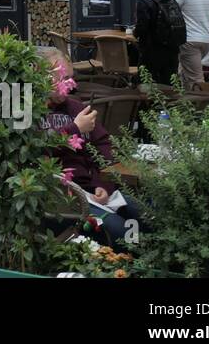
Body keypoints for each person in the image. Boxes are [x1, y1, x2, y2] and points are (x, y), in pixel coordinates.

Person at [39, 48, 145, 247]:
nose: (70, 85)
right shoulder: (28, 112)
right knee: (122, 232)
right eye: (61, 79)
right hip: (63, 197)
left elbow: (103, 145)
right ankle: (119, 262)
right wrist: (75, 128)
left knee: (147, 217)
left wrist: (103, 184)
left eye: (70, 78)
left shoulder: (76, 107)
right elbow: (37, 147)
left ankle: (138, 263)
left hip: (95, 191)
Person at [134, 0, 180, 86]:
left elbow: (142, 27)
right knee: (169, 84)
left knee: (146, 84)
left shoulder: (144, 2)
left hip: (151, 50)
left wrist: (135, 34)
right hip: (171, 49)